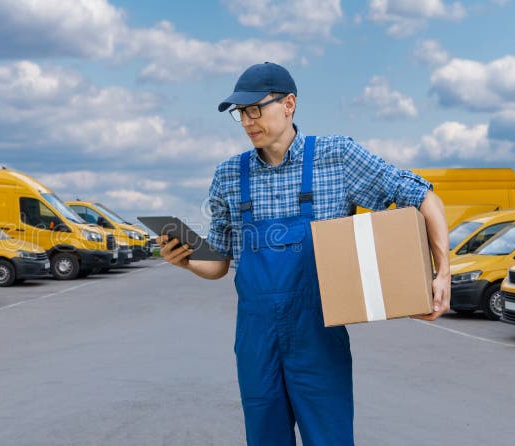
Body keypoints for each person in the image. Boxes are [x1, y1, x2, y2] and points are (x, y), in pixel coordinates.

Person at [158, 62, 451, 446]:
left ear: (289, 104)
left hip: (318, 335)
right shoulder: (228, 175)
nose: (247, 121)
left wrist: (442, 273)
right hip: (256, 339)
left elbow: (424, 197)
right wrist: (185, 258)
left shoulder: (337, 156)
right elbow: (218, 262)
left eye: (255, 109)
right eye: (240, 113)